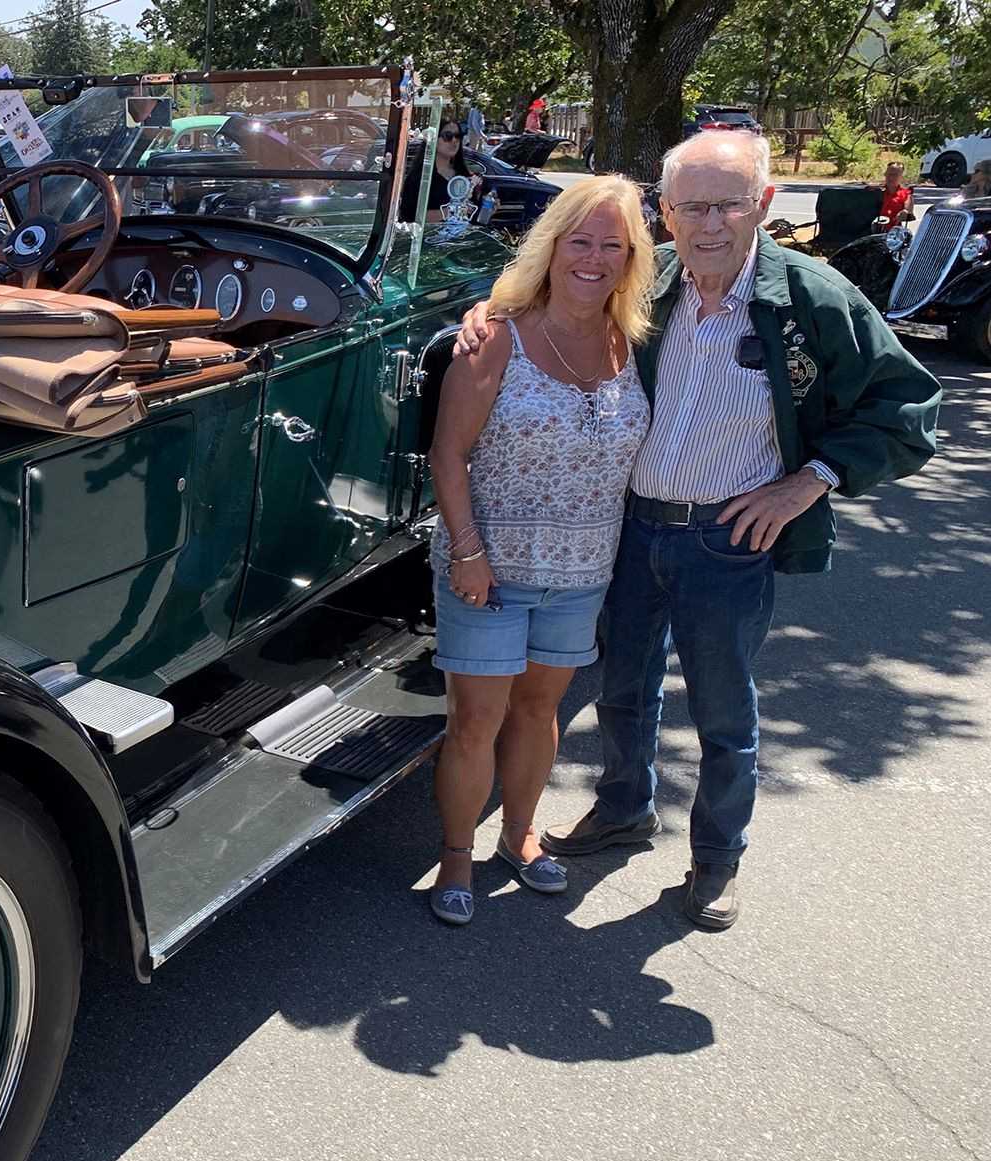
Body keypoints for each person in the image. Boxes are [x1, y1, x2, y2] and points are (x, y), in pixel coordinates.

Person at [455, 131, 940, 930]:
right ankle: (624, 808)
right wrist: (489, 312)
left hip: (729, 542)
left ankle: (717, 858)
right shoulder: (651, 285)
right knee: (622, 692)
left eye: (728, 205)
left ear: (764, 204)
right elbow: (558, 304)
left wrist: (808, 482)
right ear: (667, 213)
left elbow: (909, 408)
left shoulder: (811, 299)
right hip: (629, 532)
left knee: (722, 714)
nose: (709, 224)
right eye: (690, 208)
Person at [426, 176, 658, 926]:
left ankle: (518, 836)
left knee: (537, 710)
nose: (593, 258)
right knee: (476, 720)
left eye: (612, 245)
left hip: (583, 572)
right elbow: (448, 453)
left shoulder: (636, 340)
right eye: (579, 241)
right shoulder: (498, 334)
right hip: (488, 570)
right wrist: (467, 551)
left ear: (631, 259)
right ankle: (456, 856)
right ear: (551, 247)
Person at [401, 118, 482, 222]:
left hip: (462, 232)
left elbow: (474, 216)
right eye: (448, 136)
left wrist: (486, 209)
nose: (454, 141)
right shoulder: (420, 178)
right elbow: (409, 216)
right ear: (433, 140)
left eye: (458, 136)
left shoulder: (464, 176)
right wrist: (450, 211)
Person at [878, 161, 913, 225]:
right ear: (885, 174)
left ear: (901, 177)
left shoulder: (906, 193)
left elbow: (908, 210)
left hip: (894, 228)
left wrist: (904, 212)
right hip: (874, 227)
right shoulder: (877, 191)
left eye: (895, 175)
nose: (891, 177)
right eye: (889, 174)